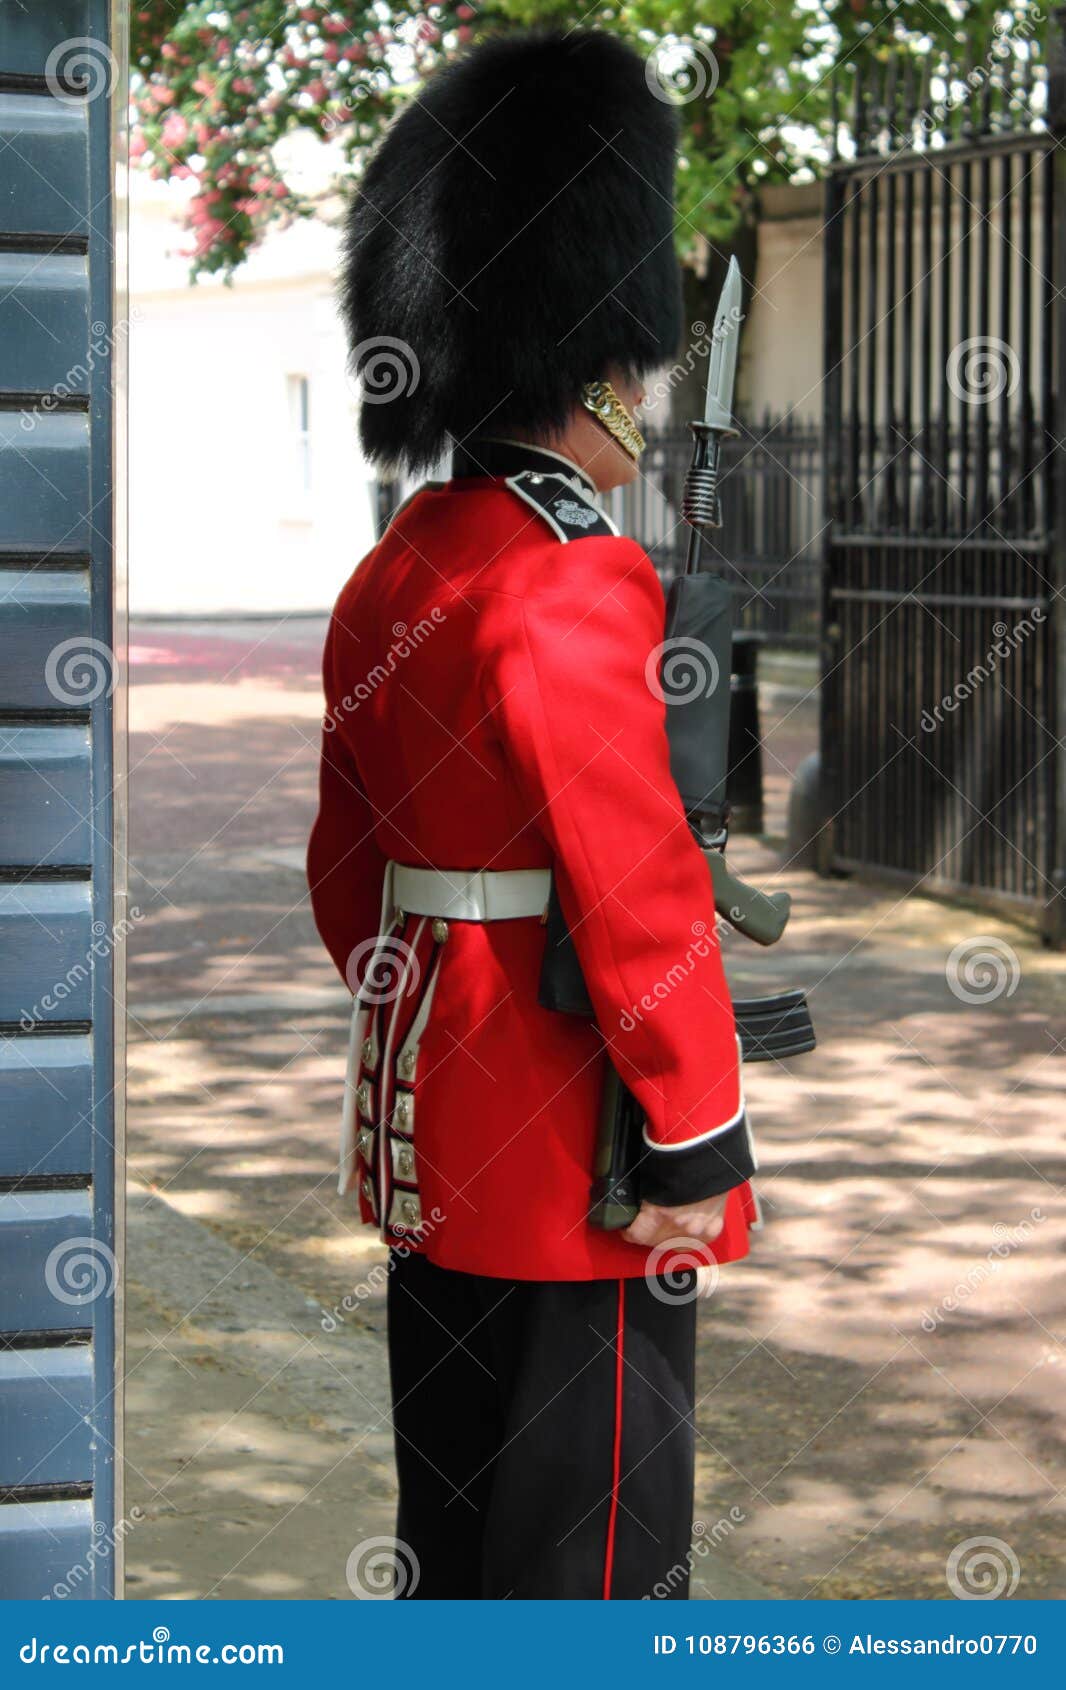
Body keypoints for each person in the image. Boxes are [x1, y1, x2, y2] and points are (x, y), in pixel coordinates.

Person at [307, 28, 757, 1601]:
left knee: (453, 1540)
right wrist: (694, 1129)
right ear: (598, 371)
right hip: (577, 1153)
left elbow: (347, 874)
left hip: (429, 1129)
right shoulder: (568, 577)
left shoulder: (398, 568)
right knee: (591, 1569)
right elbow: (635, 886)